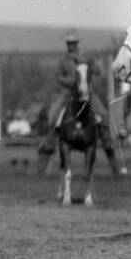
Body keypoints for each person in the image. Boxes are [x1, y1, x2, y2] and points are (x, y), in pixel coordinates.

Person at [37, 30, 123, 174]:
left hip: (86, 92)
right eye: (69, 43)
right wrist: (70, 82)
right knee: (53, 114)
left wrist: (90, 64)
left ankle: (108, 143)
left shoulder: (85, 56)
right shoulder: (63, 60)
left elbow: (98, 71)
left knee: (103, 114)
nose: (71, 45)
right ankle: (50, 143)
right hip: (68, 92)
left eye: (73, 42)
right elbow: (58, 77)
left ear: (77, 43)